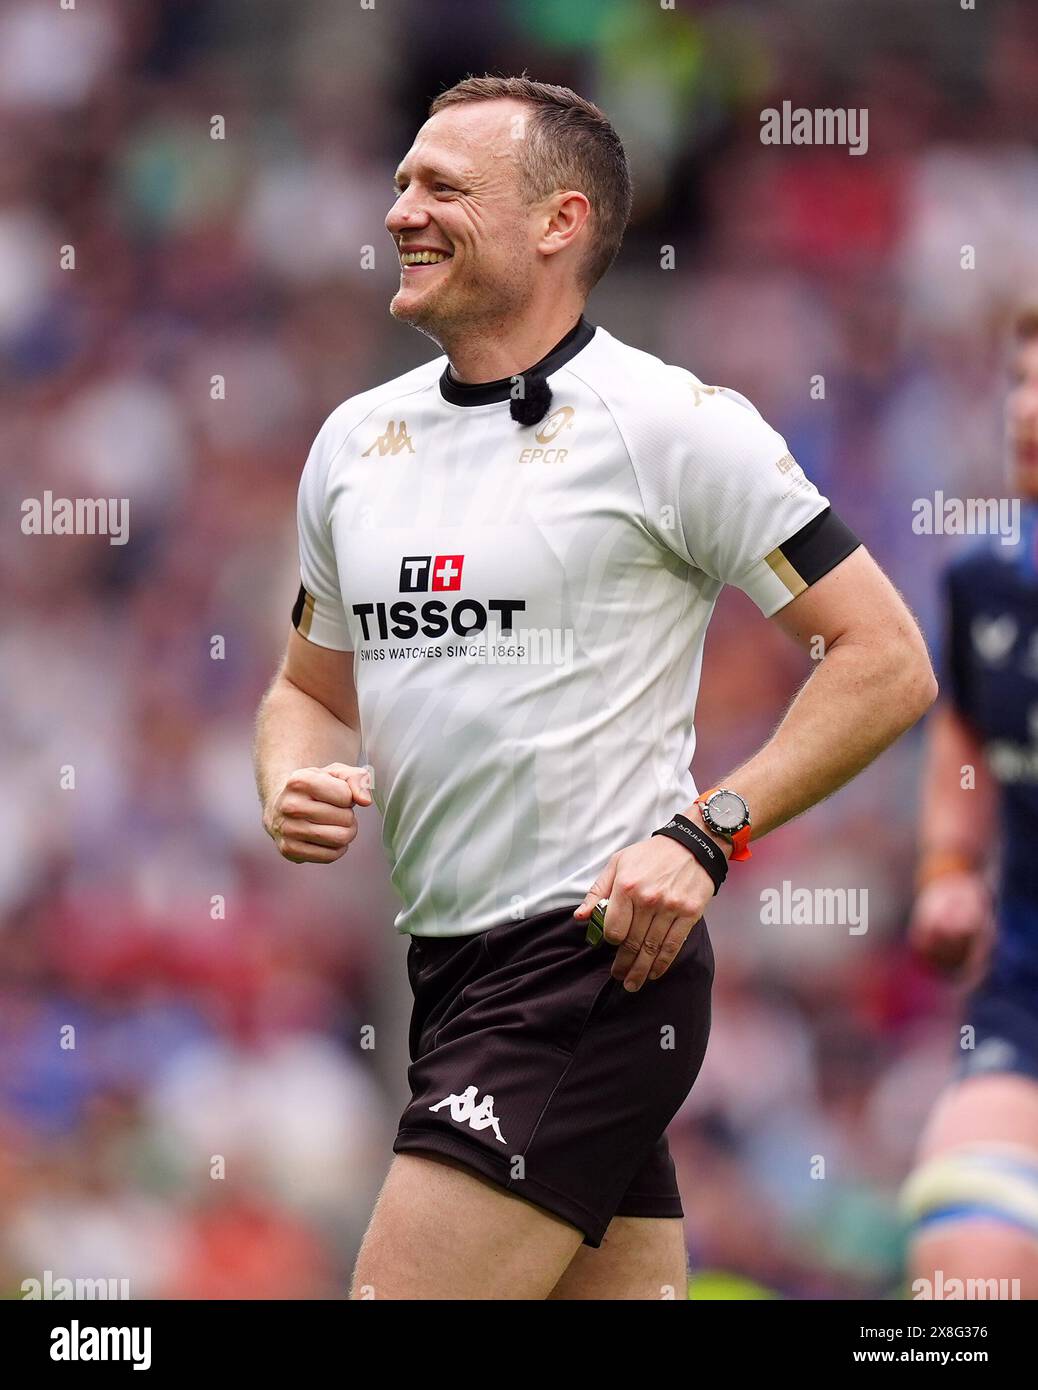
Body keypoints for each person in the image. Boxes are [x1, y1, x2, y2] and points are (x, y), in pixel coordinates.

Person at [253, 75, 936, 1301]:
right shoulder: (354, 442)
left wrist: (709, 831)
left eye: (443, 188)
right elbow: (306, 689)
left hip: (586, 961)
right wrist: (287, 777)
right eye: (402, 182)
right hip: (448, 974)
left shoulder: (671, 424)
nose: (400, 210)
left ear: (559, 223)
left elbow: (885, 659)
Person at [903, 308, 1038, 1299]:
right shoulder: (987, 576)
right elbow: (963, 726)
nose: (1026, 412)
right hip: (1026, 986)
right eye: (1018, 384)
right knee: (965, 1265)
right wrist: (951, 868)